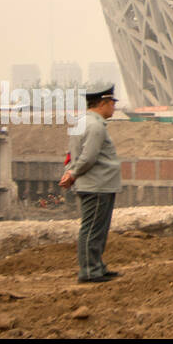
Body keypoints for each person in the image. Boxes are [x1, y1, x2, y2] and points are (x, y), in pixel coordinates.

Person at [59, 83, 122, 283]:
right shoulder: (95, 126)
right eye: (112, 103)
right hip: (97, 185)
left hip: (96, 184)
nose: (114, 107)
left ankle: (97, 266)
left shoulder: (82, 123)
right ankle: (89, 271)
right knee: (93, 229)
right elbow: (88, 157)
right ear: (103, 103)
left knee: (97, 229)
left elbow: (72, 154)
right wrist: (73, 174)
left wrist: (70, 172)